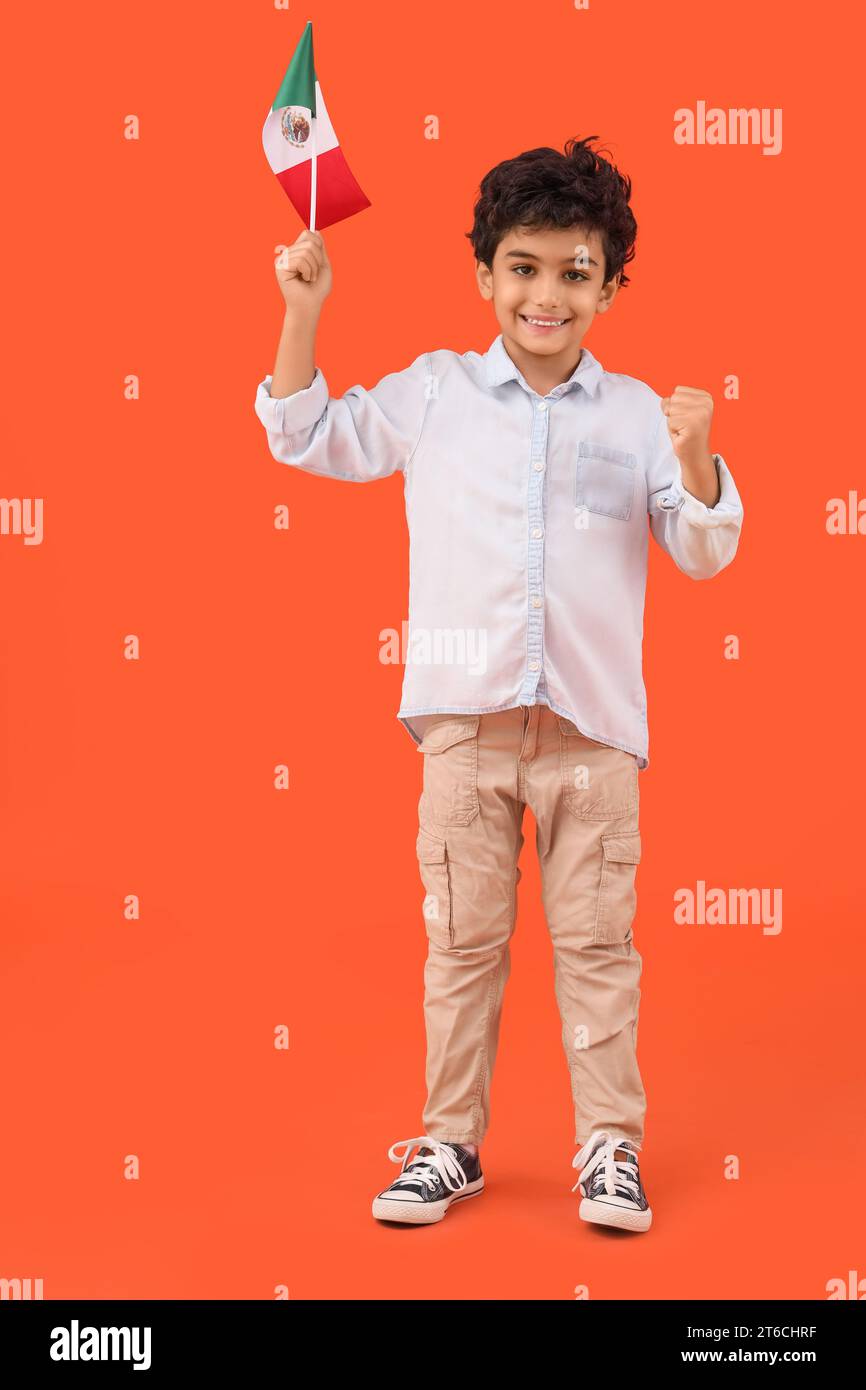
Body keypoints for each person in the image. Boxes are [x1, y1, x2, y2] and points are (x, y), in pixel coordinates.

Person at [253, 135, 745, 1234]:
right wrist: (303, 313)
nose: (545, 294)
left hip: (591, 738)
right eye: (522, 266)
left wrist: (701, 451)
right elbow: (307, 436)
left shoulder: (633, 418)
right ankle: (446, 1143)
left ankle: (608, 1147)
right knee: (461, 947)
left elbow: (703, 548)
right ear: (484, 274)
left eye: (575, 273)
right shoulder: (435, 392)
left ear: (609, 288)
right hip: (462, 735)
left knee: (597, 950)